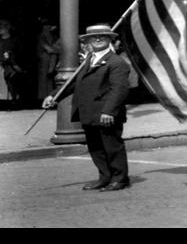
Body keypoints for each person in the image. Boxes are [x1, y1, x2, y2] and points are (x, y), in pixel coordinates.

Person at [40, 25, 132, 191]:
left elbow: (119, 90)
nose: (98, 39)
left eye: (102, 37)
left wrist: (108, 111)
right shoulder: (88, 61)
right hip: (88, 112)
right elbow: (73, 83)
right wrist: (54, 96)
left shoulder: (116, 62)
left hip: (106, 114)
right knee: (95, 147)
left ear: (110, 39)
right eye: (94, 37)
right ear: (87, 41)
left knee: (112, 147)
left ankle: (120, 178)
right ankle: (105, 177)